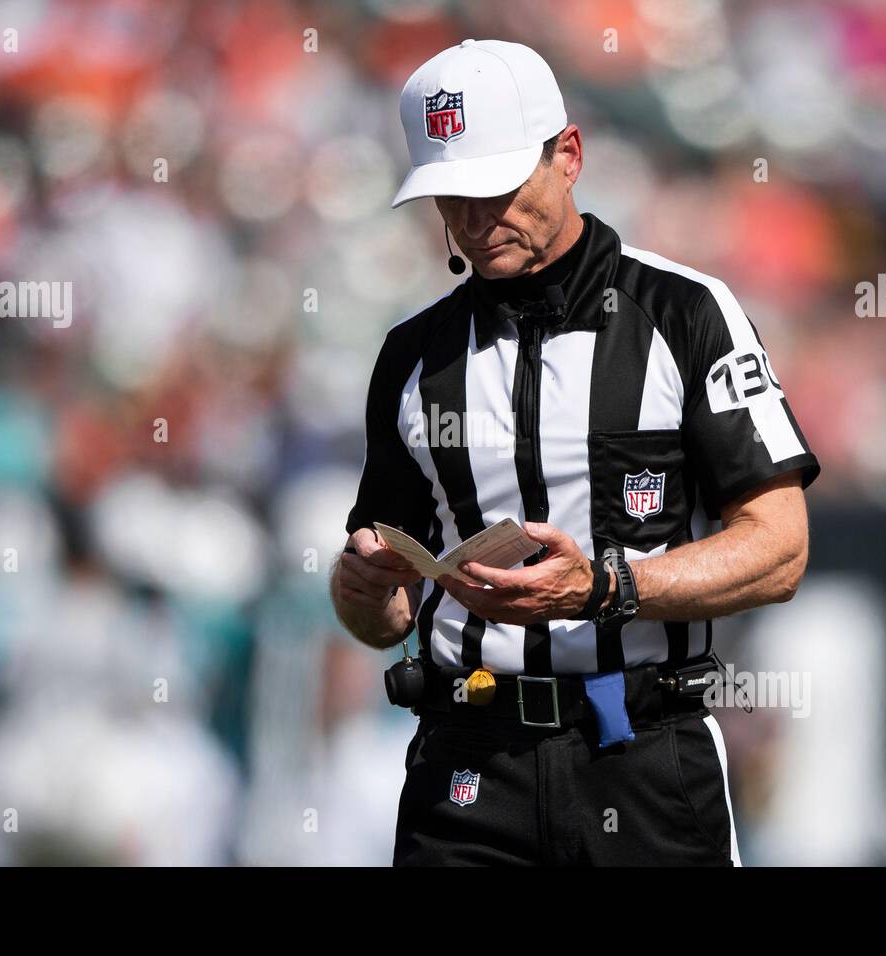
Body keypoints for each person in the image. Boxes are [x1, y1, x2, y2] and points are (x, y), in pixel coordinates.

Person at [330, 39, 820, 866]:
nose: (475, 221)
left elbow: (781, 551)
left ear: (569, 156)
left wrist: (606, 586)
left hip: (641, 752)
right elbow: (384, 620)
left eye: (496, 187)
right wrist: (360, 584)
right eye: (451, 196)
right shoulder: (412, 357)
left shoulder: (686, 313)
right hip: (468, 764)